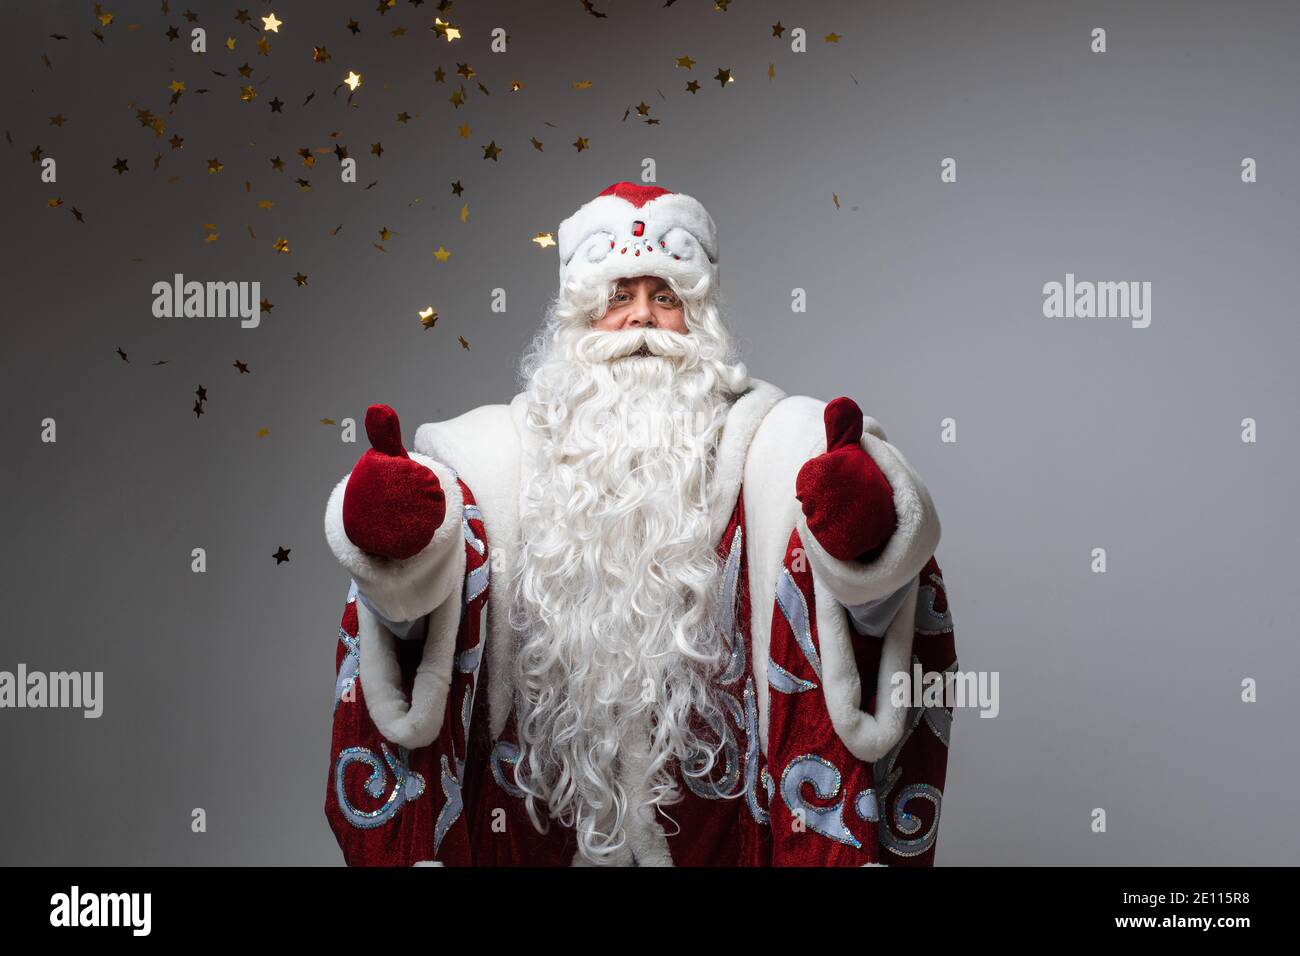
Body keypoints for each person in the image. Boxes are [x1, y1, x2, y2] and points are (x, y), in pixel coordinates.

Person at [322, 181, 957, 866]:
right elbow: (424, 621)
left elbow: (861, 611)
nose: (641, 321)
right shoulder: (487, 460)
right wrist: (400, 549)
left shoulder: (777, 452)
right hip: (534, 831)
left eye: (666, 298)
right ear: (578, 323)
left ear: (699, 319)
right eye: (616, 299)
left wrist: (863, 538)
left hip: (725, 836)